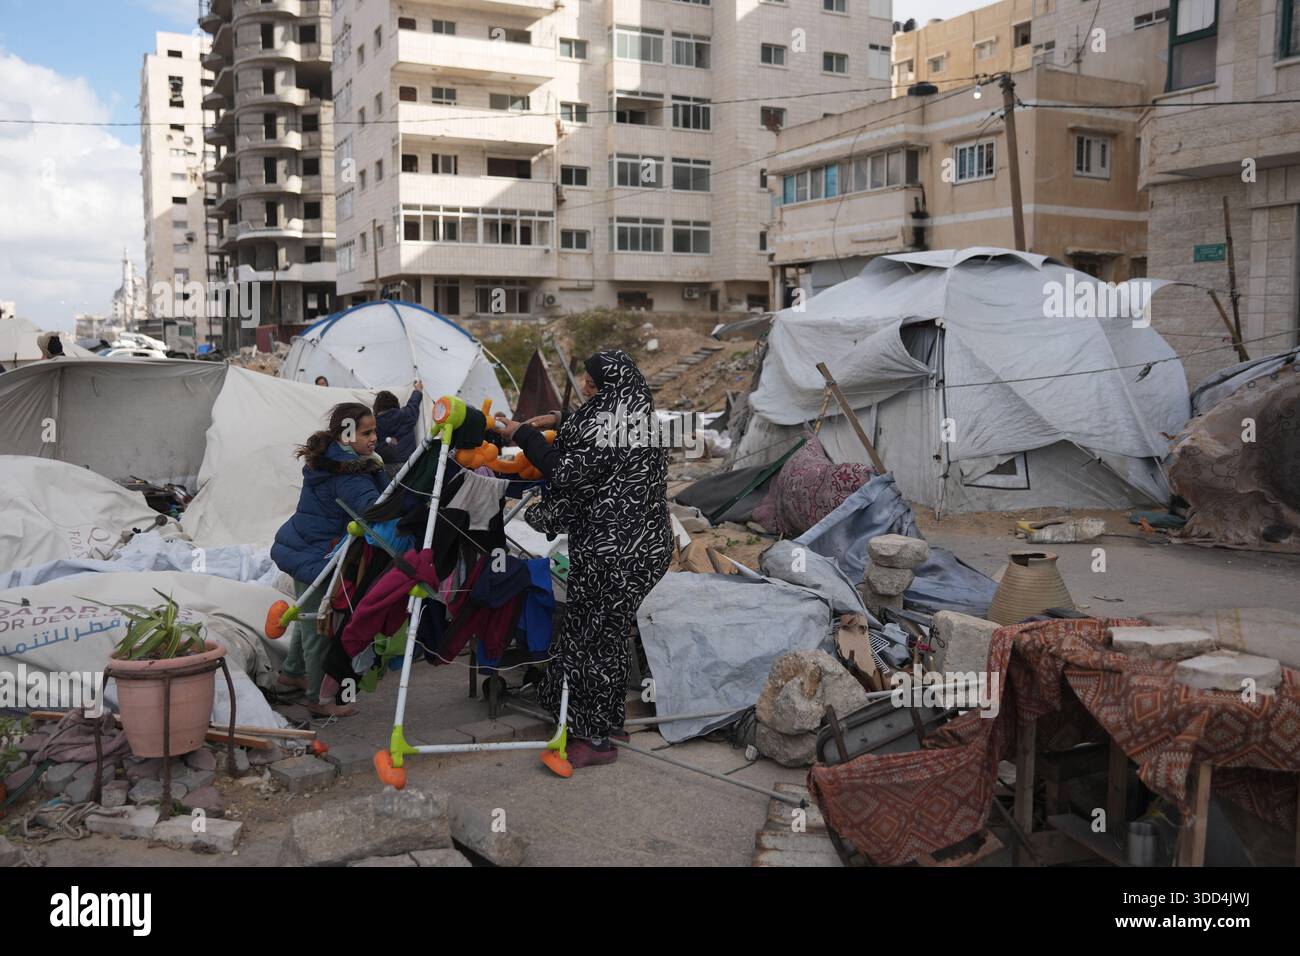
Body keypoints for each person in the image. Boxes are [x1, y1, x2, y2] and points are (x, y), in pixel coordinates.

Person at [491, 350, 672, 770]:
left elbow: (564, 471)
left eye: (590, 381)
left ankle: (592, 738)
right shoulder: (643, 417)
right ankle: (609, 723)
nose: (585, 387)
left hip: (615, 551)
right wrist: (555, 419)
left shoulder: (602, 426)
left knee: (591, 637)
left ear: (604, 387)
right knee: (606, 630)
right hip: (647, 548)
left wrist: (524, 435)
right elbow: (596, 431)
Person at [270, 402, 387, 716]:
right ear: (346, 434)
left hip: (301, 545)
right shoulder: (350, 476)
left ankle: (291, 675)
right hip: (316, 554)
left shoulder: (331, 460)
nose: (374, 438)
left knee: (307, 613)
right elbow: (377, 510)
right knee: (319, 626)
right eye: (366, 432)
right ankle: (317, 699)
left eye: (375, 430)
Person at [373, 381, 423, 476]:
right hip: (408, 464)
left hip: (385, 465)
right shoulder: (406, 415)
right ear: (396, 403)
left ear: (377, 407)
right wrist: (418, 391)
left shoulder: (374, 423)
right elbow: (413, 403)